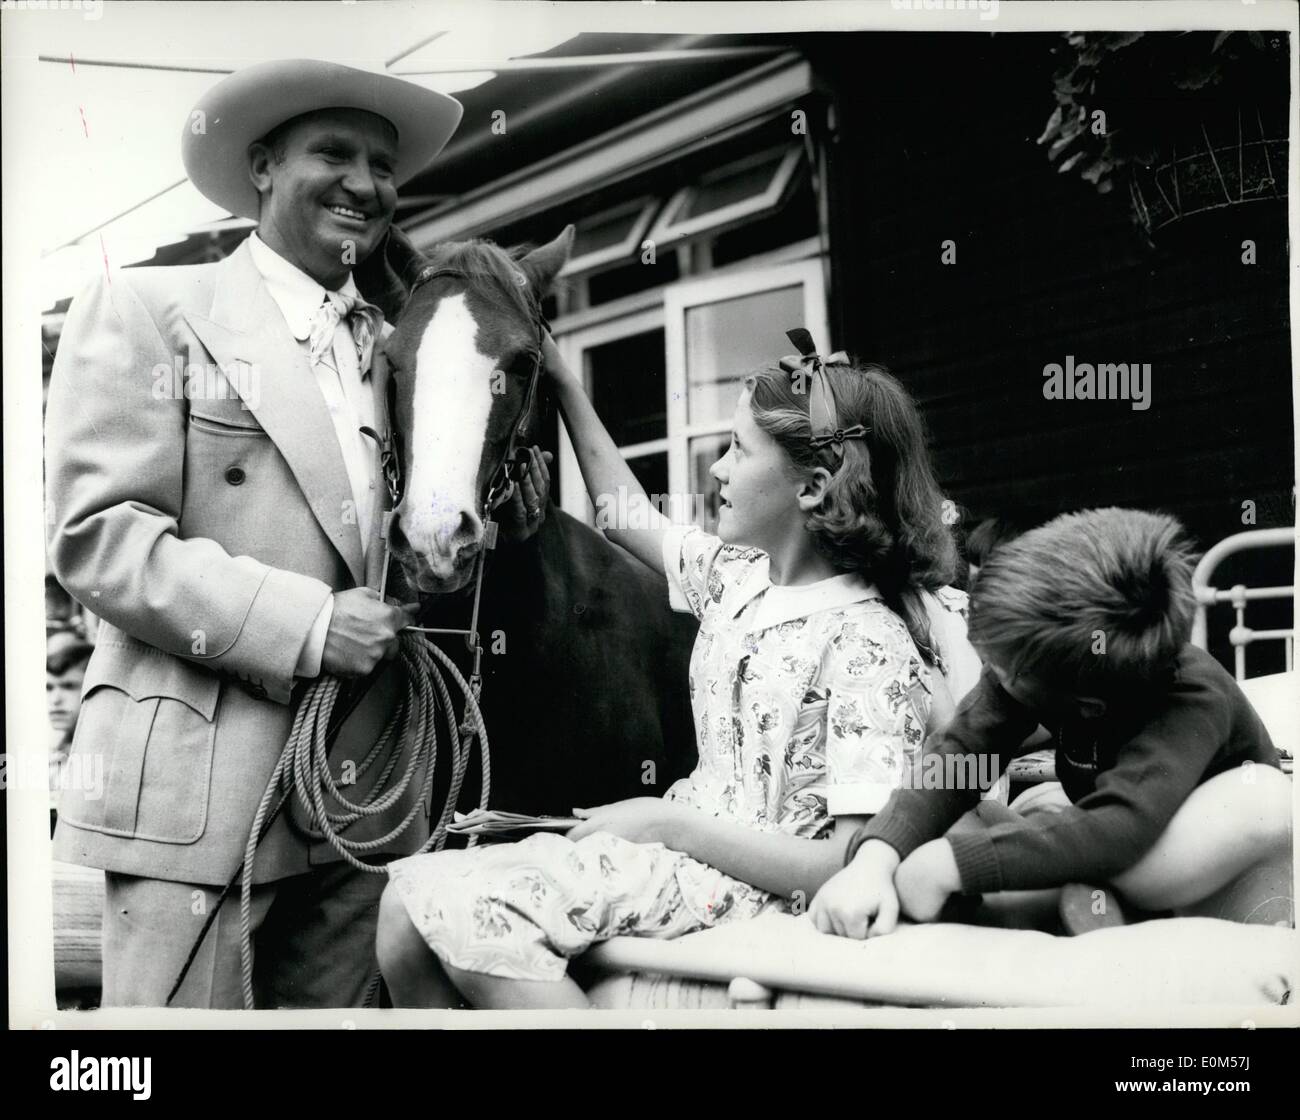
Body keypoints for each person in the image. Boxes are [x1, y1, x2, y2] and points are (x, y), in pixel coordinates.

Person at [44, 59, 552, 1009]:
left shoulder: (402, 341)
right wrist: (310, 625)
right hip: (199, 797)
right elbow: (98, 537)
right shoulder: (150, 311)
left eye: (383, 165)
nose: (366, 184)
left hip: (365, 794)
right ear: (264, 166)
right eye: (335, 153)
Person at [375, 339, 979, 1008]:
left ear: (810, 489)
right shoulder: (736, 579)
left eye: (739, 451)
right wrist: (566, 382)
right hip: (673, 855)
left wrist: (667, 824)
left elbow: (848, 862)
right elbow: (620, 510)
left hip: (740, 886)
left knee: (461, 913)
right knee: (403, 914)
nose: (715, 469)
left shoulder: (869, 646)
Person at [810, 508, 1293, 939]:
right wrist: (877, 856)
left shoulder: (1190, 698)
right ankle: (1078, 898)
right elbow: (961, 754)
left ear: (1088, 706)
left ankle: (1070, 901)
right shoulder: (1036, 667)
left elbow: (1120, 827)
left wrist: (953, 864)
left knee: (1253, 802)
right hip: (1120, 841)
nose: (989, 676)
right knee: (986, 815)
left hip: (1217, 864)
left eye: (1002, 671)